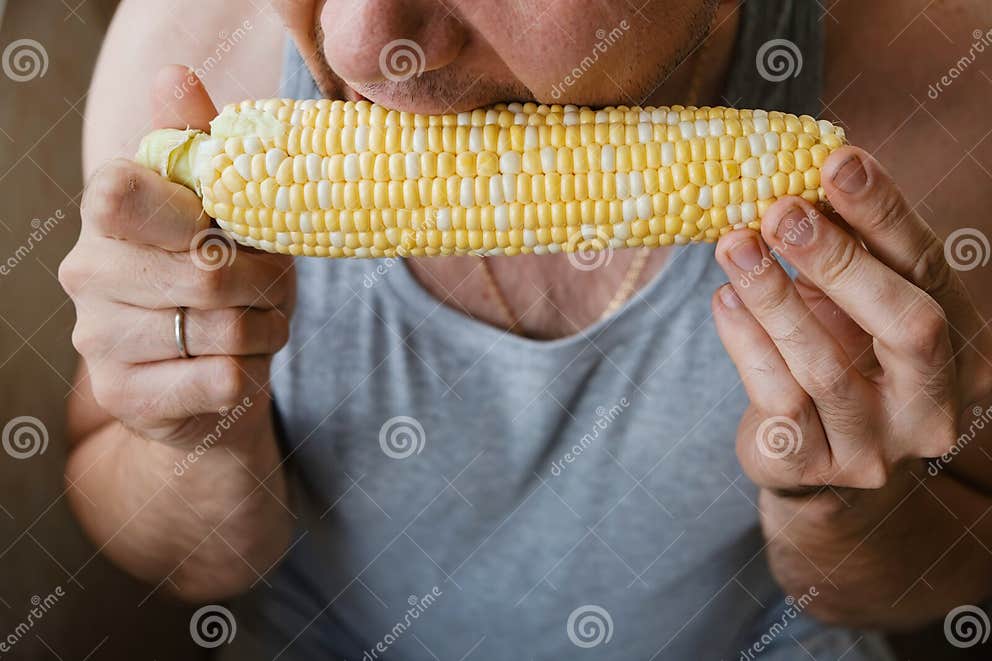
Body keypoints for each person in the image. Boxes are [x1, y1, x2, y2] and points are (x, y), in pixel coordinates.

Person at [58, 0, 992, 658]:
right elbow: (193, 565)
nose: (354, 41)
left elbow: (944, 582)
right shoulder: (188, 51)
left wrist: (844, 507)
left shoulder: (946, 105)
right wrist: (189, 438)